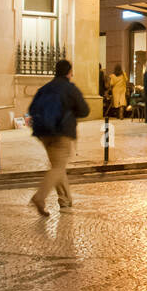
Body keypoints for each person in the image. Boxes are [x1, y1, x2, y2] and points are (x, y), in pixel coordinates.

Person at [27, 58, 89, 216]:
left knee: (57, 166)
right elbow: (84, 110)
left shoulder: (45, 88)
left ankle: (65, 200)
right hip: (61, 133)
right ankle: (40, 197)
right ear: (69, 72)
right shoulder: (69, 88)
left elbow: (32, 108)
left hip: (43, 133)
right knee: (58, 167)